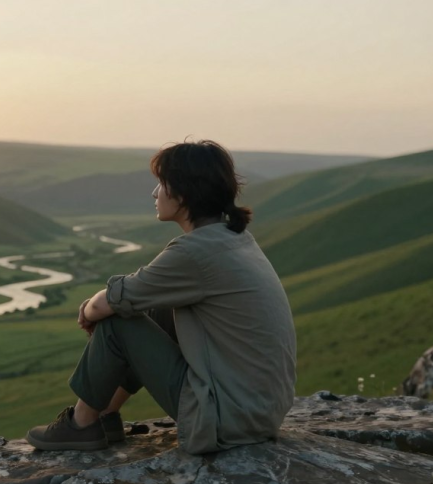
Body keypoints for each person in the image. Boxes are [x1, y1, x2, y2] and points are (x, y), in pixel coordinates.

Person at [26, 140, 296, 454]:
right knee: (156, 309)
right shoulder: (234, 239)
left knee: (118, 323)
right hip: (256, 414)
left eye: (162, 184)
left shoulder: (194, 253)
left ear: (183, 193)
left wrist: (88, 309)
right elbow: (139, 295)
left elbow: (108, 302)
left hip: (223, 420)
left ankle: (81, 425)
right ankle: (105, 415)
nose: (155, 193)